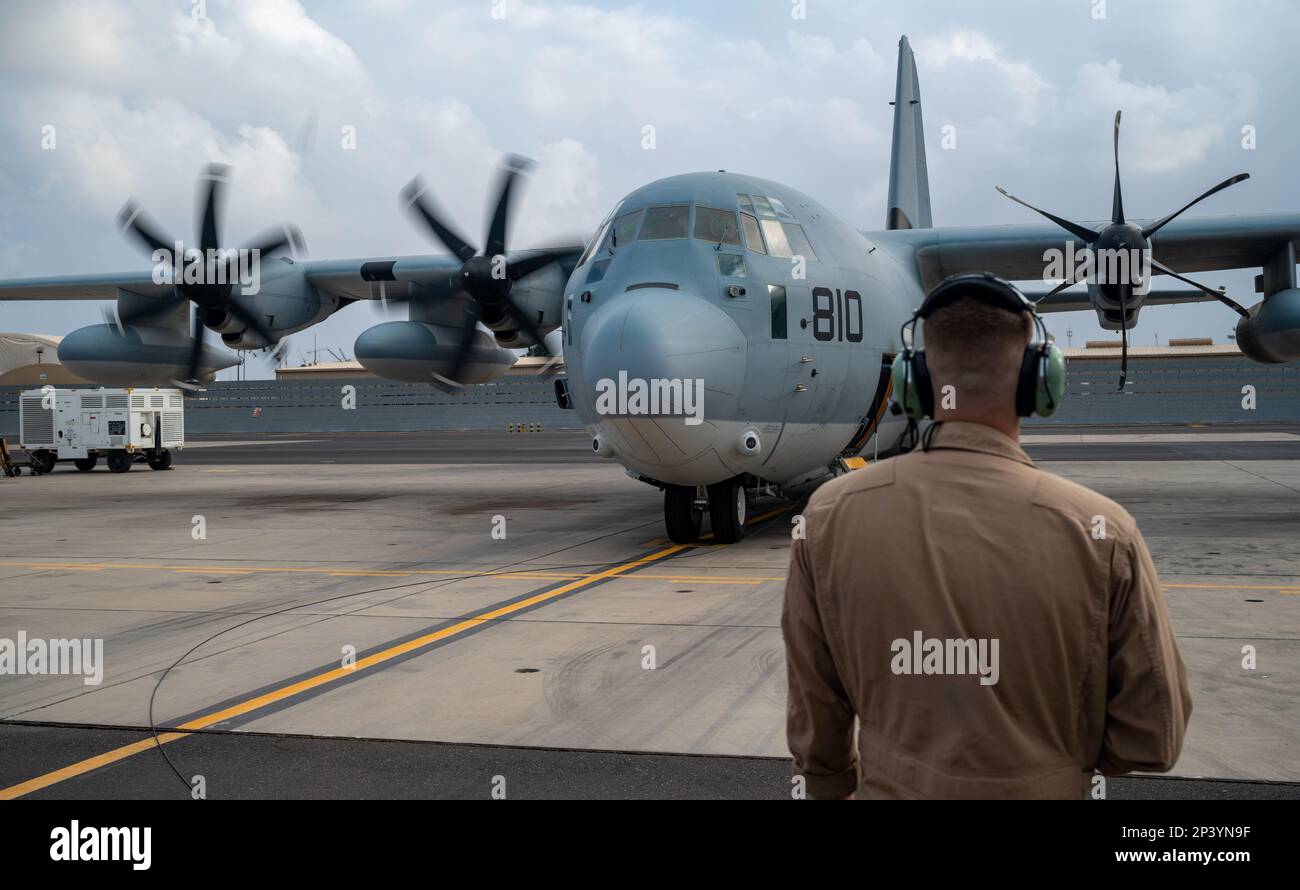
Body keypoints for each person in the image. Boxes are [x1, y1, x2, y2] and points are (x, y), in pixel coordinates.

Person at [781, 273, 1192, 799]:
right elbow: (1153, 739)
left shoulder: (826, 517)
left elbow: (818, 730)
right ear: (1040, 381)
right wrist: (1054, 762)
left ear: (916, 383)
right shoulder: (1104, 532)